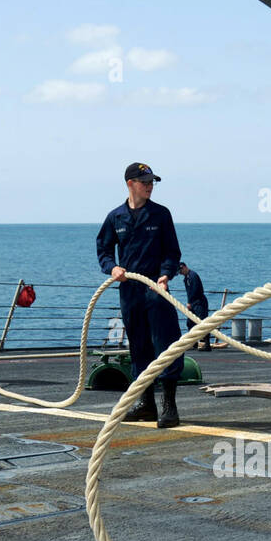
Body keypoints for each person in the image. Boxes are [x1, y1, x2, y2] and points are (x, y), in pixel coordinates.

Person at [96, 162, 185, 428]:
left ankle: (170, 407)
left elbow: (172, 251)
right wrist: (112, 268)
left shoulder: (161, 214)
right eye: (144, 182)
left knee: (167, 345)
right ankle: (146, 404)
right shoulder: (115, 217)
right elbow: (103, 248)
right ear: (130, 184)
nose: (149, 186)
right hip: (130, 292)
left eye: (151, 182)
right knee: (139, 347)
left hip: (157, 290)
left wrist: (166, 274)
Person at [178, 262, 211, 350]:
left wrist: (190, 302)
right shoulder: (186, 278)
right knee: (190, 323)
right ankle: (193, 342)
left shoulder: (193, 276)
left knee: (202, 322)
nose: (180, 273)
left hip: (199, 302)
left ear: (184, 267)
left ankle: (207, 344)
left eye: (181, 270)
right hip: (193, 303)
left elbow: (196, 290)